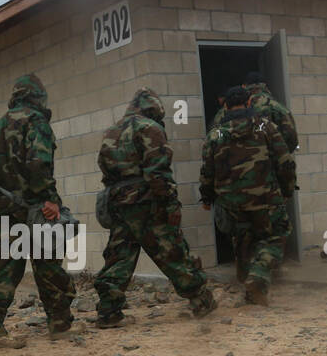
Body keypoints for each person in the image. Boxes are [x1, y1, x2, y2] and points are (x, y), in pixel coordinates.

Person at [94, 87, 216, 326]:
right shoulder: (150, 128)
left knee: (119, 256)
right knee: (172, 251)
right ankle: (201, 301)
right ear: (154, 109)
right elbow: (158, 172)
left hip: (119, 203)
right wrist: (170, 205)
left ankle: (108, 311)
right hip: (147, 202)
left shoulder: (112, 130)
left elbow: (105, 169)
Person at [0, 74, 75, 348]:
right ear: (38, 97)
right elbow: (39, 162)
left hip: (5, 207)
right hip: (37, 208)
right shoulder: (37, 121)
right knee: (48, 265)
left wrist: (5, 187)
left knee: (3, 268)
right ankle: (59, 324)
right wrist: (48, 198)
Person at [201, 85, 294, 305]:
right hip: (265, 197)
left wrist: (206, 198)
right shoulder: (264, 126)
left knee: (242, 241)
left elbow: (207, 171)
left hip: (230, 201)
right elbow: (285, 162)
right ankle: (258, 276)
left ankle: (250, 290)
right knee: (275, 236)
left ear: (225, 106)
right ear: (250, 102)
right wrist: (287, 190)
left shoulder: (217, 133)